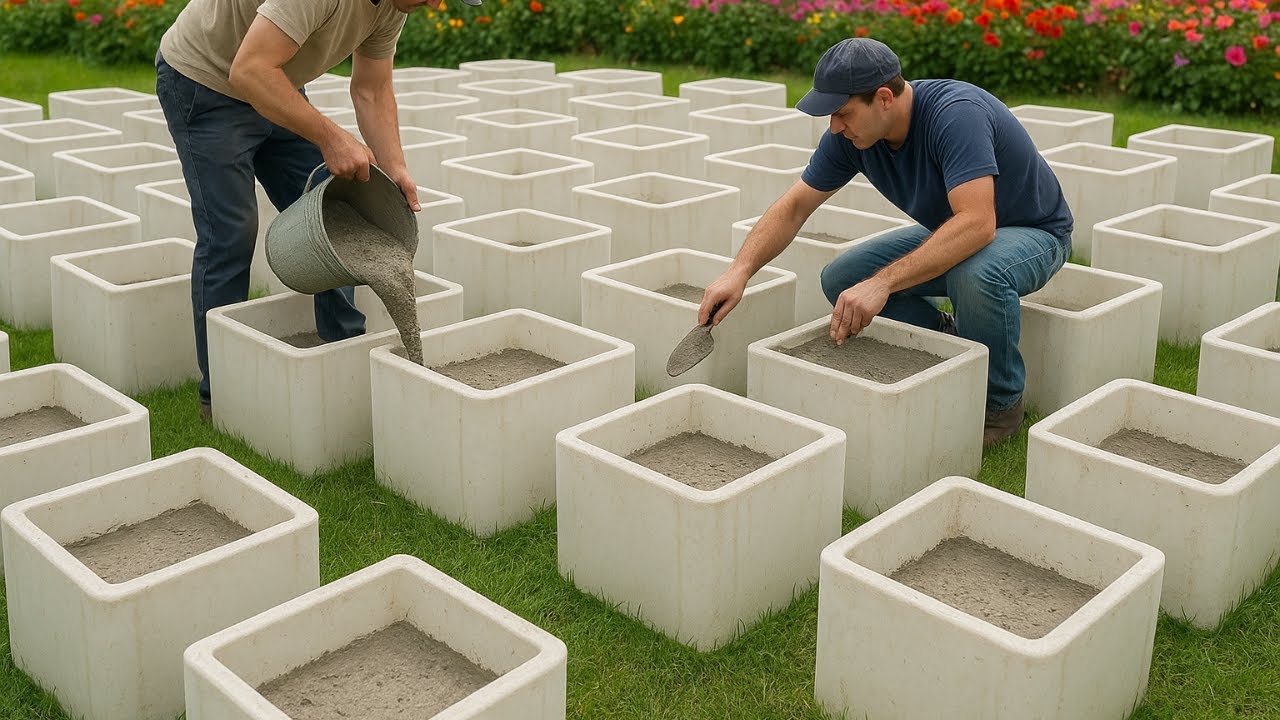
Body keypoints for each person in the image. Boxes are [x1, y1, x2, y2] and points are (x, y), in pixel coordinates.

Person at [698, 37, 1073, 447]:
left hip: (1034, 232)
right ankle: (947, 336)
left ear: (883, 99)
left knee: (976, 272)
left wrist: (883, 284)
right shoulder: (852, 139)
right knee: (843, 278)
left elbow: (979, 224)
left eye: (842, 113)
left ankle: (1000, 406)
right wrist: (739, 271)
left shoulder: (955, 115)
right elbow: (793, 207)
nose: (834, 127)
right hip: (960, 226)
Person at [154, 0, 481, 422]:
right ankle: (220, 394)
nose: (436, 4)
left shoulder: (396, 7)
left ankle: (343, 347)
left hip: (273, 78)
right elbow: (248, 70)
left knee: (334, 216)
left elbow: (372, 89)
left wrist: (395, 164)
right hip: (207, 82)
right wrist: (331, 138)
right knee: (230, 233)